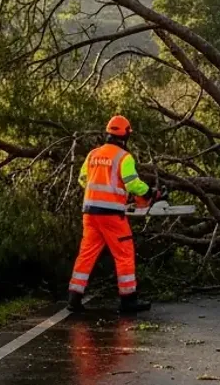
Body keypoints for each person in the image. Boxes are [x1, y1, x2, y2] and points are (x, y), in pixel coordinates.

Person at [67, 115, 159, 314]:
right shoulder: (123, 157)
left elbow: (83, 179)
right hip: (111, 215)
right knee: (124, 254)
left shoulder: (93, 154)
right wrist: (149, 192)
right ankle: (128, 301)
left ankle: (74, 298)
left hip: (90, 213)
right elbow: (133, 183)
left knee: (86, 254)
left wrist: (102, 192)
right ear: (126, 135)